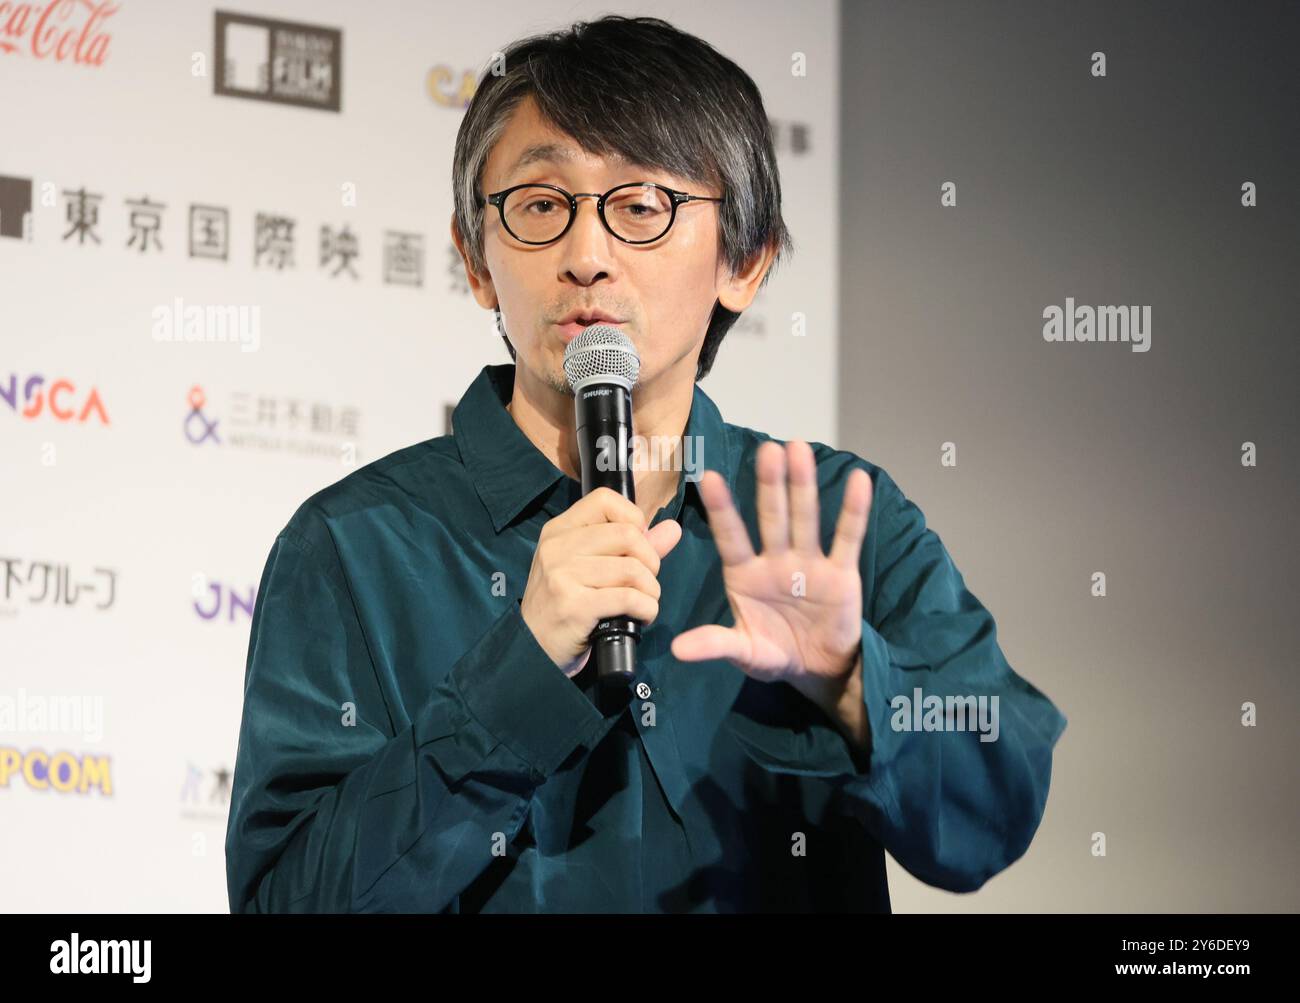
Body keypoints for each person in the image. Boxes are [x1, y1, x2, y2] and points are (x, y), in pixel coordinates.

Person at [225, 14, 1067, 913]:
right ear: (477, 261)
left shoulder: (831, 517)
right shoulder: (356, 545)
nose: (587, 257)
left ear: (743, 260)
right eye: (543, 206)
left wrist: (854, 684)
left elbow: (996, 809)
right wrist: (517, 675)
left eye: (641, 207)